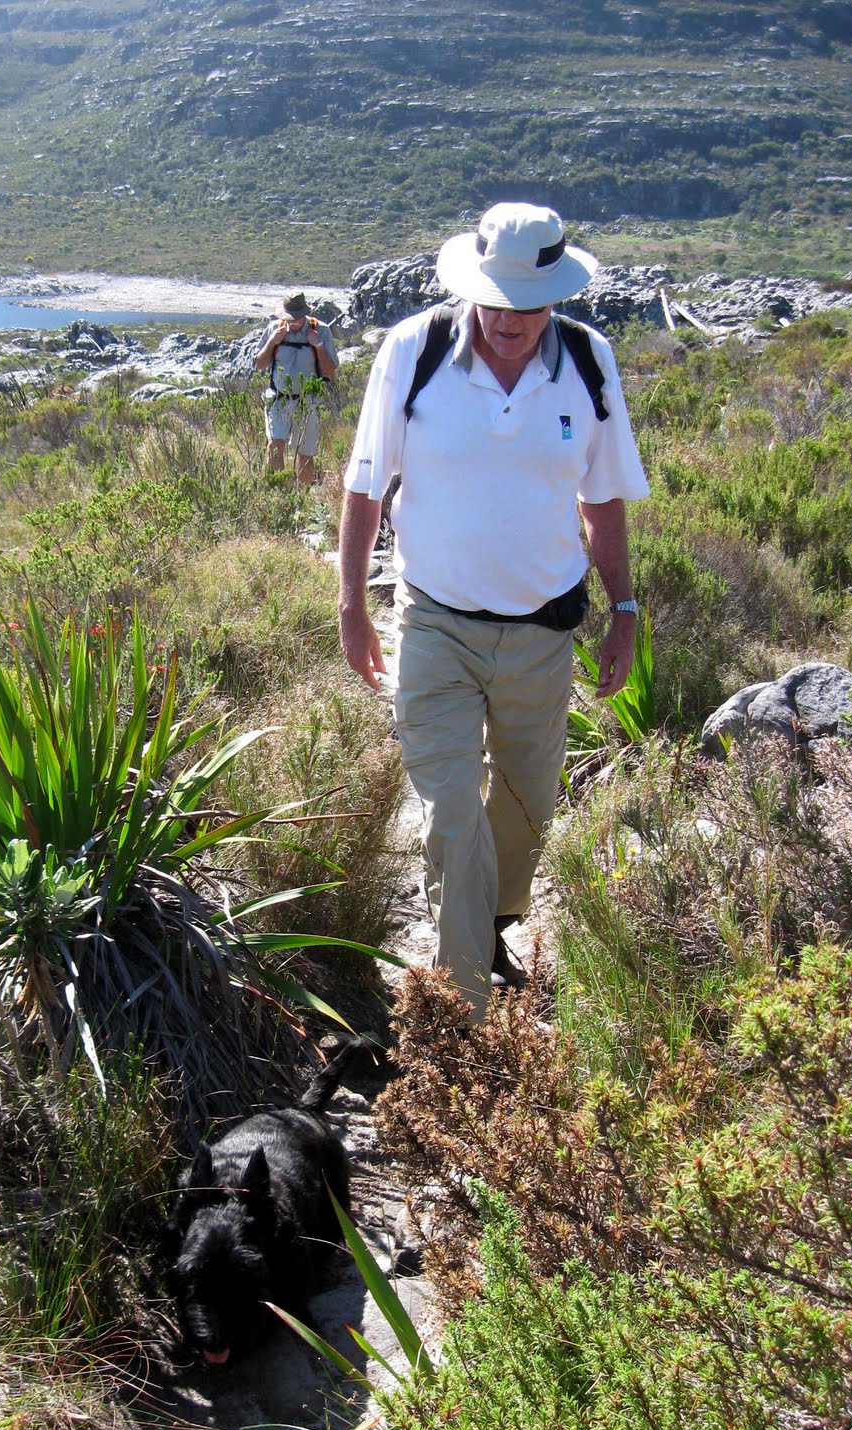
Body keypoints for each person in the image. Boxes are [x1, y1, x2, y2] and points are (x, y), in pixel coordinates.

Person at [337, 202, 650, 1021]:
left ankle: (492, 920)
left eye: (528, 303)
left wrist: (623, 608)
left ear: (557, 295)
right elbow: (366, 483)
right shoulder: (415, 351)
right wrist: (351, 605)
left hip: (544, 631)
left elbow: (605, 496)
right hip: (434, 623)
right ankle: (460, 1013)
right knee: (450, 812)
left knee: (523, 810)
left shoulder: (588, 361)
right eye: (496, 300)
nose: (510, 321)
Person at [254, 291, 338, 484]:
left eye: (296, 319)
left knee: (305, 453)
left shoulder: (321, 331)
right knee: (275, 446)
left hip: (307, 401)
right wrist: (272, 342)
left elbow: (330, 372)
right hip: (278, 398)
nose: (292, 322)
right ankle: (278, 497)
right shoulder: (273, 329)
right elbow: (259, 364)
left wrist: (318, 346)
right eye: (288, 318)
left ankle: (303, 502)